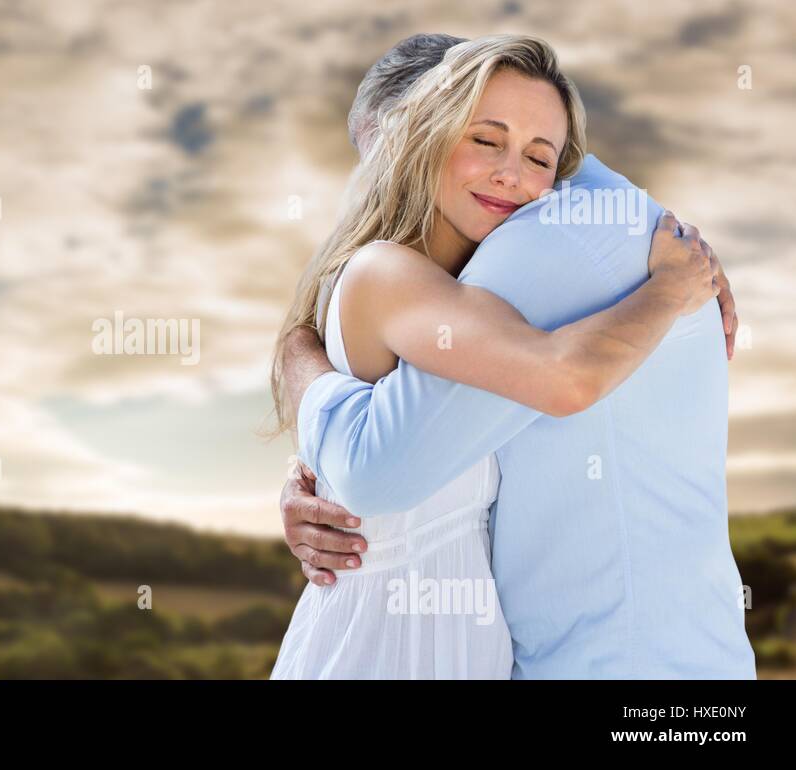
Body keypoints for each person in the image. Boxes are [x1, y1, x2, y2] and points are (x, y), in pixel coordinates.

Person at [268, 33, 751, 679]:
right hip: (386, 640)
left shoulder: (505, 267)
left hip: (476, 643)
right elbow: (562, 378)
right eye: (484, 140)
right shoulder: (392, 272)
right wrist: (671, 288)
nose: (511, 173)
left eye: (537, 155)